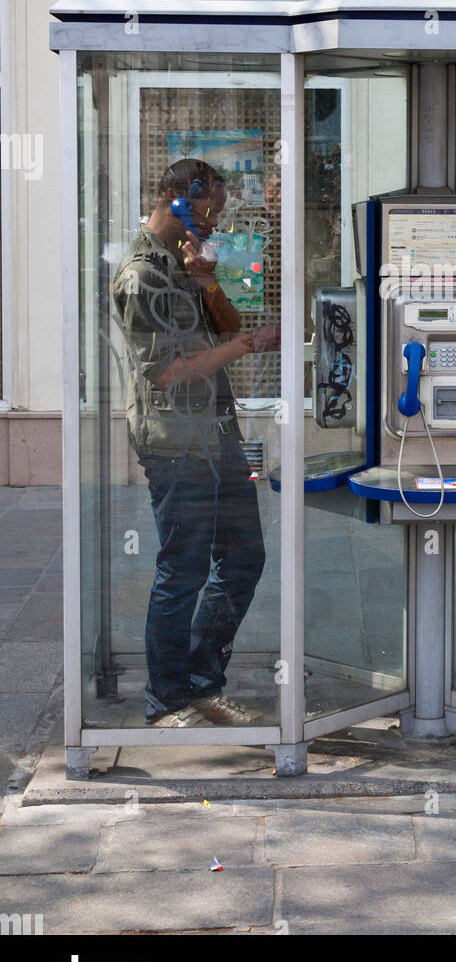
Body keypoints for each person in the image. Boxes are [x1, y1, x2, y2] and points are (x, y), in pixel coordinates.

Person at [113, 158, 280, 728]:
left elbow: (230, 330)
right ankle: (167, 700)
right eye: (209, 208)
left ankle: (205, 683)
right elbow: (166, 372)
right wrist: (247, 347)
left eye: (219, 210)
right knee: (181, 569)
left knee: (243, 557)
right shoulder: (142, 274)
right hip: (174, 443)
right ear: (173, 197)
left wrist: (208, 282)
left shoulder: (186, 263)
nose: (215, 222)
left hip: (217, 435)